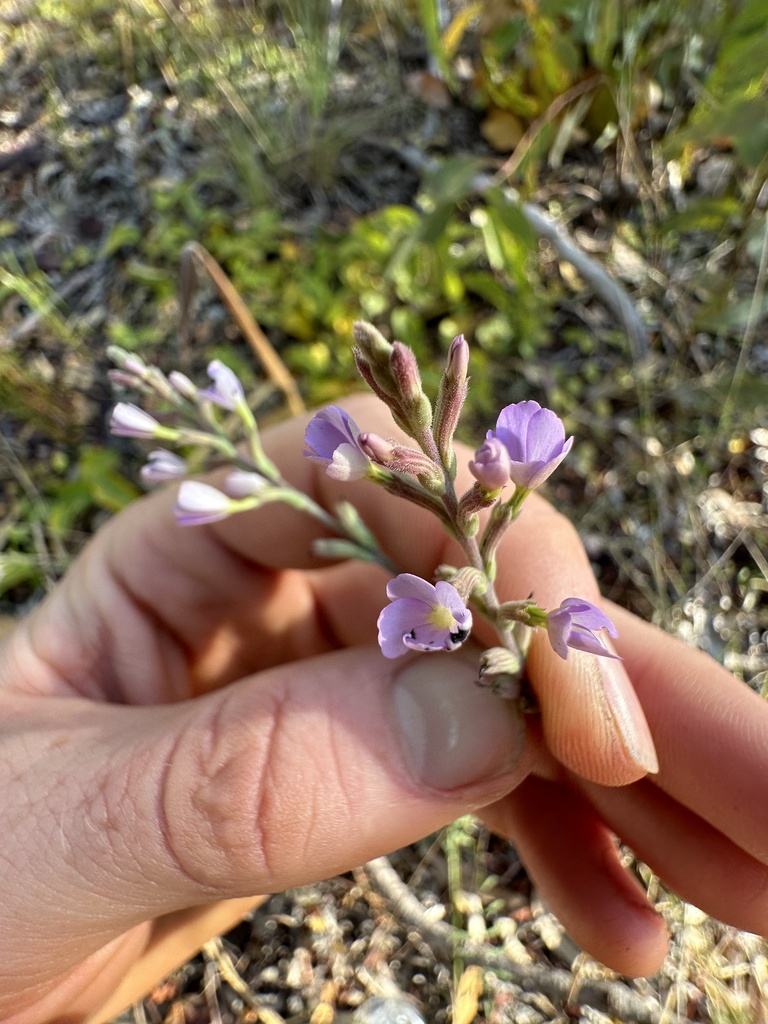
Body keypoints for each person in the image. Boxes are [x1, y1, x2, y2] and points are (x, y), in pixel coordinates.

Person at [2, 394, 768, 1024]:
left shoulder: (480, 571)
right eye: (442, 617)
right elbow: (441, 604)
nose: (445, 619)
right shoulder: (434, 603)